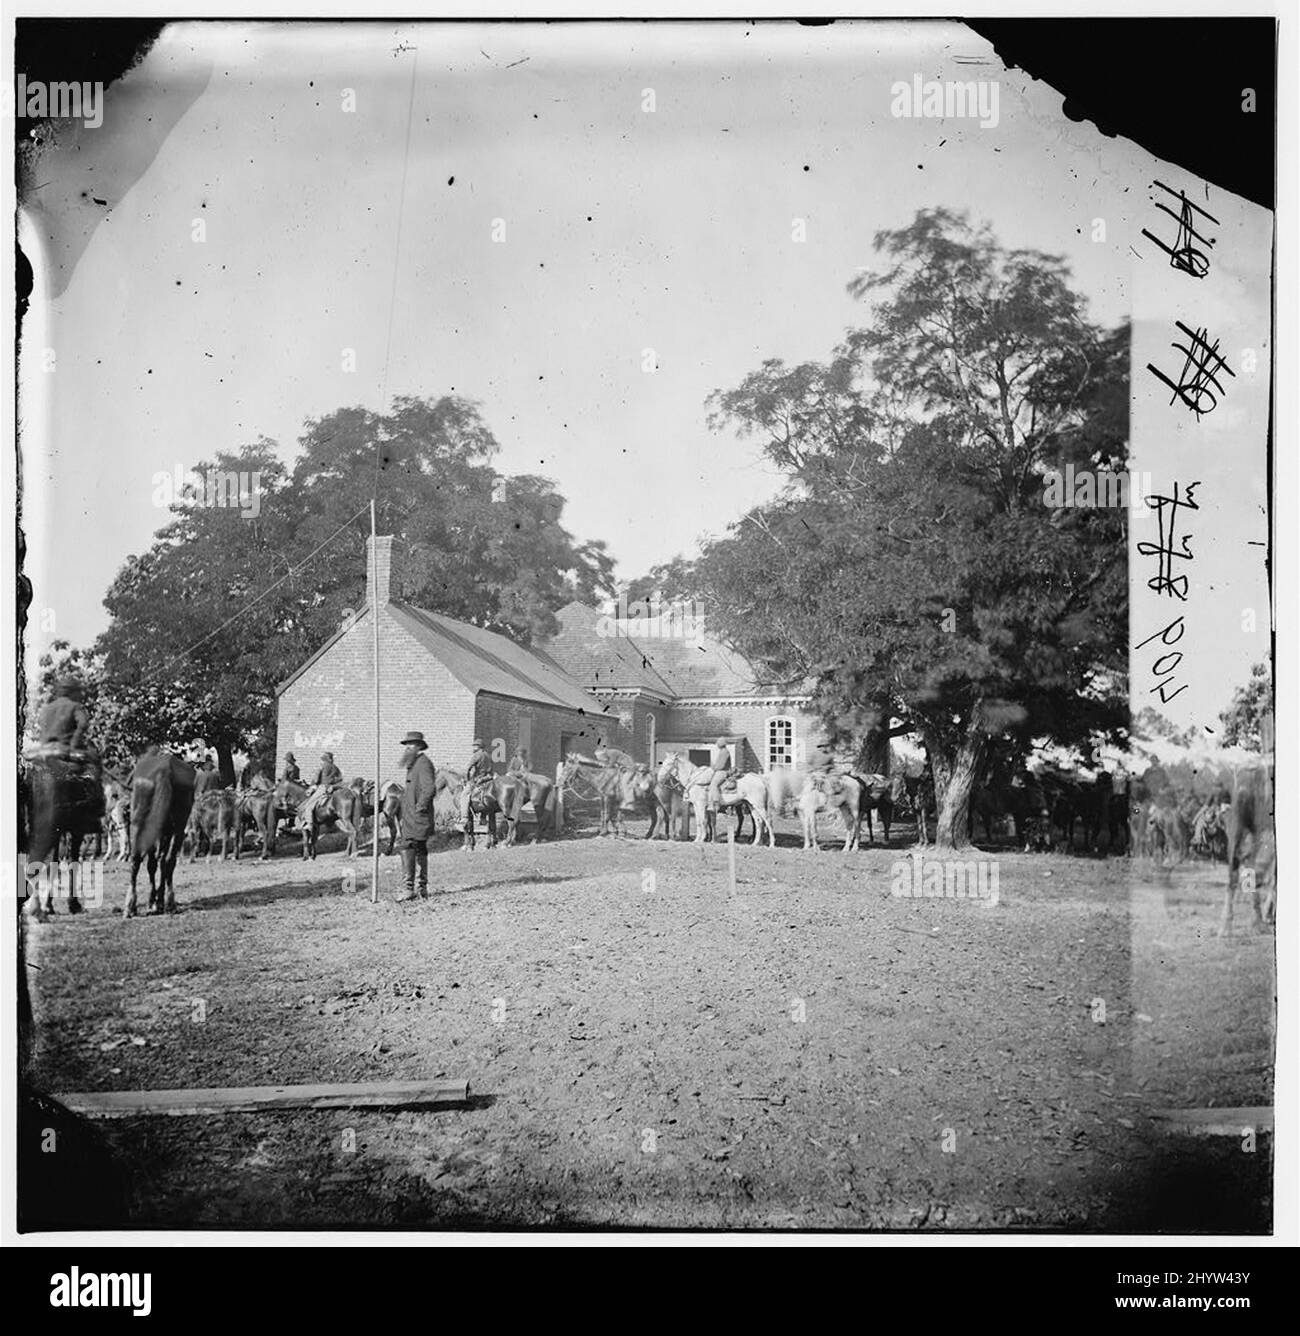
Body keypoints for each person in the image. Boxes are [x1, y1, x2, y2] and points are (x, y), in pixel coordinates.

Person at [396, 730, 436, 902]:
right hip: (410, 816)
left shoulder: (424, 763)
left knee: (408, 846)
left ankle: (409, 889)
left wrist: (419, 808)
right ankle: (421, 888)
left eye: (411, 745)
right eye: (406, 745)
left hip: (418, 816)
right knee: (418, 848)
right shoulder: (414, 763)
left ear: (419, 746)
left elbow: (429, 788)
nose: (408, 748)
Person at [36, 677, 91, 756]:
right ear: (72, 692)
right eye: (78, 691)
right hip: (64, 749)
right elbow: (83, 723)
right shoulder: (75, 706)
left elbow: (41, 726)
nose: (80, 695)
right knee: (93, 757)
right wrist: (74, 744)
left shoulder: (47, 709)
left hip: (44, 750)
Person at [295, 751, 343, 830]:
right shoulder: (336, 768)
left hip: (323, 788)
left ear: (324, 759)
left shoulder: (322, 766)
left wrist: (311, 786)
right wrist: (333, 785)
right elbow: (340, 779)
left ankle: (309, 823)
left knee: (309, 805)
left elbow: (316, 779)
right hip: (333, 788)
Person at [460, 738, 495, 833]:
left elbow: (468, 768)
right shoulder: (488, 755)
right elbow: (491, 770)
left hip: (478, 779)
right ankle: (483, 817)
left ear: (479, 747)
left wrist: (467, 779)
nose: (473, 747)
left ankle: (464, 817)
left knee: (464, 795)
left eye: (475, 746)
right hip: (488, 779)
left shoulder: (477, 755)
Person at [707, 736, 733, 811]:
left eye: (718, 743)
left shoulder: (724, 752)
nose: (717, 744)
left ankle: (716, 802)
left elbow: (721, 765)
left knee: (713, 784)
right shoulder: (722, 751)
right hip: (719, 771)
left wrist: (714, 768)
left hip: (723, 772)